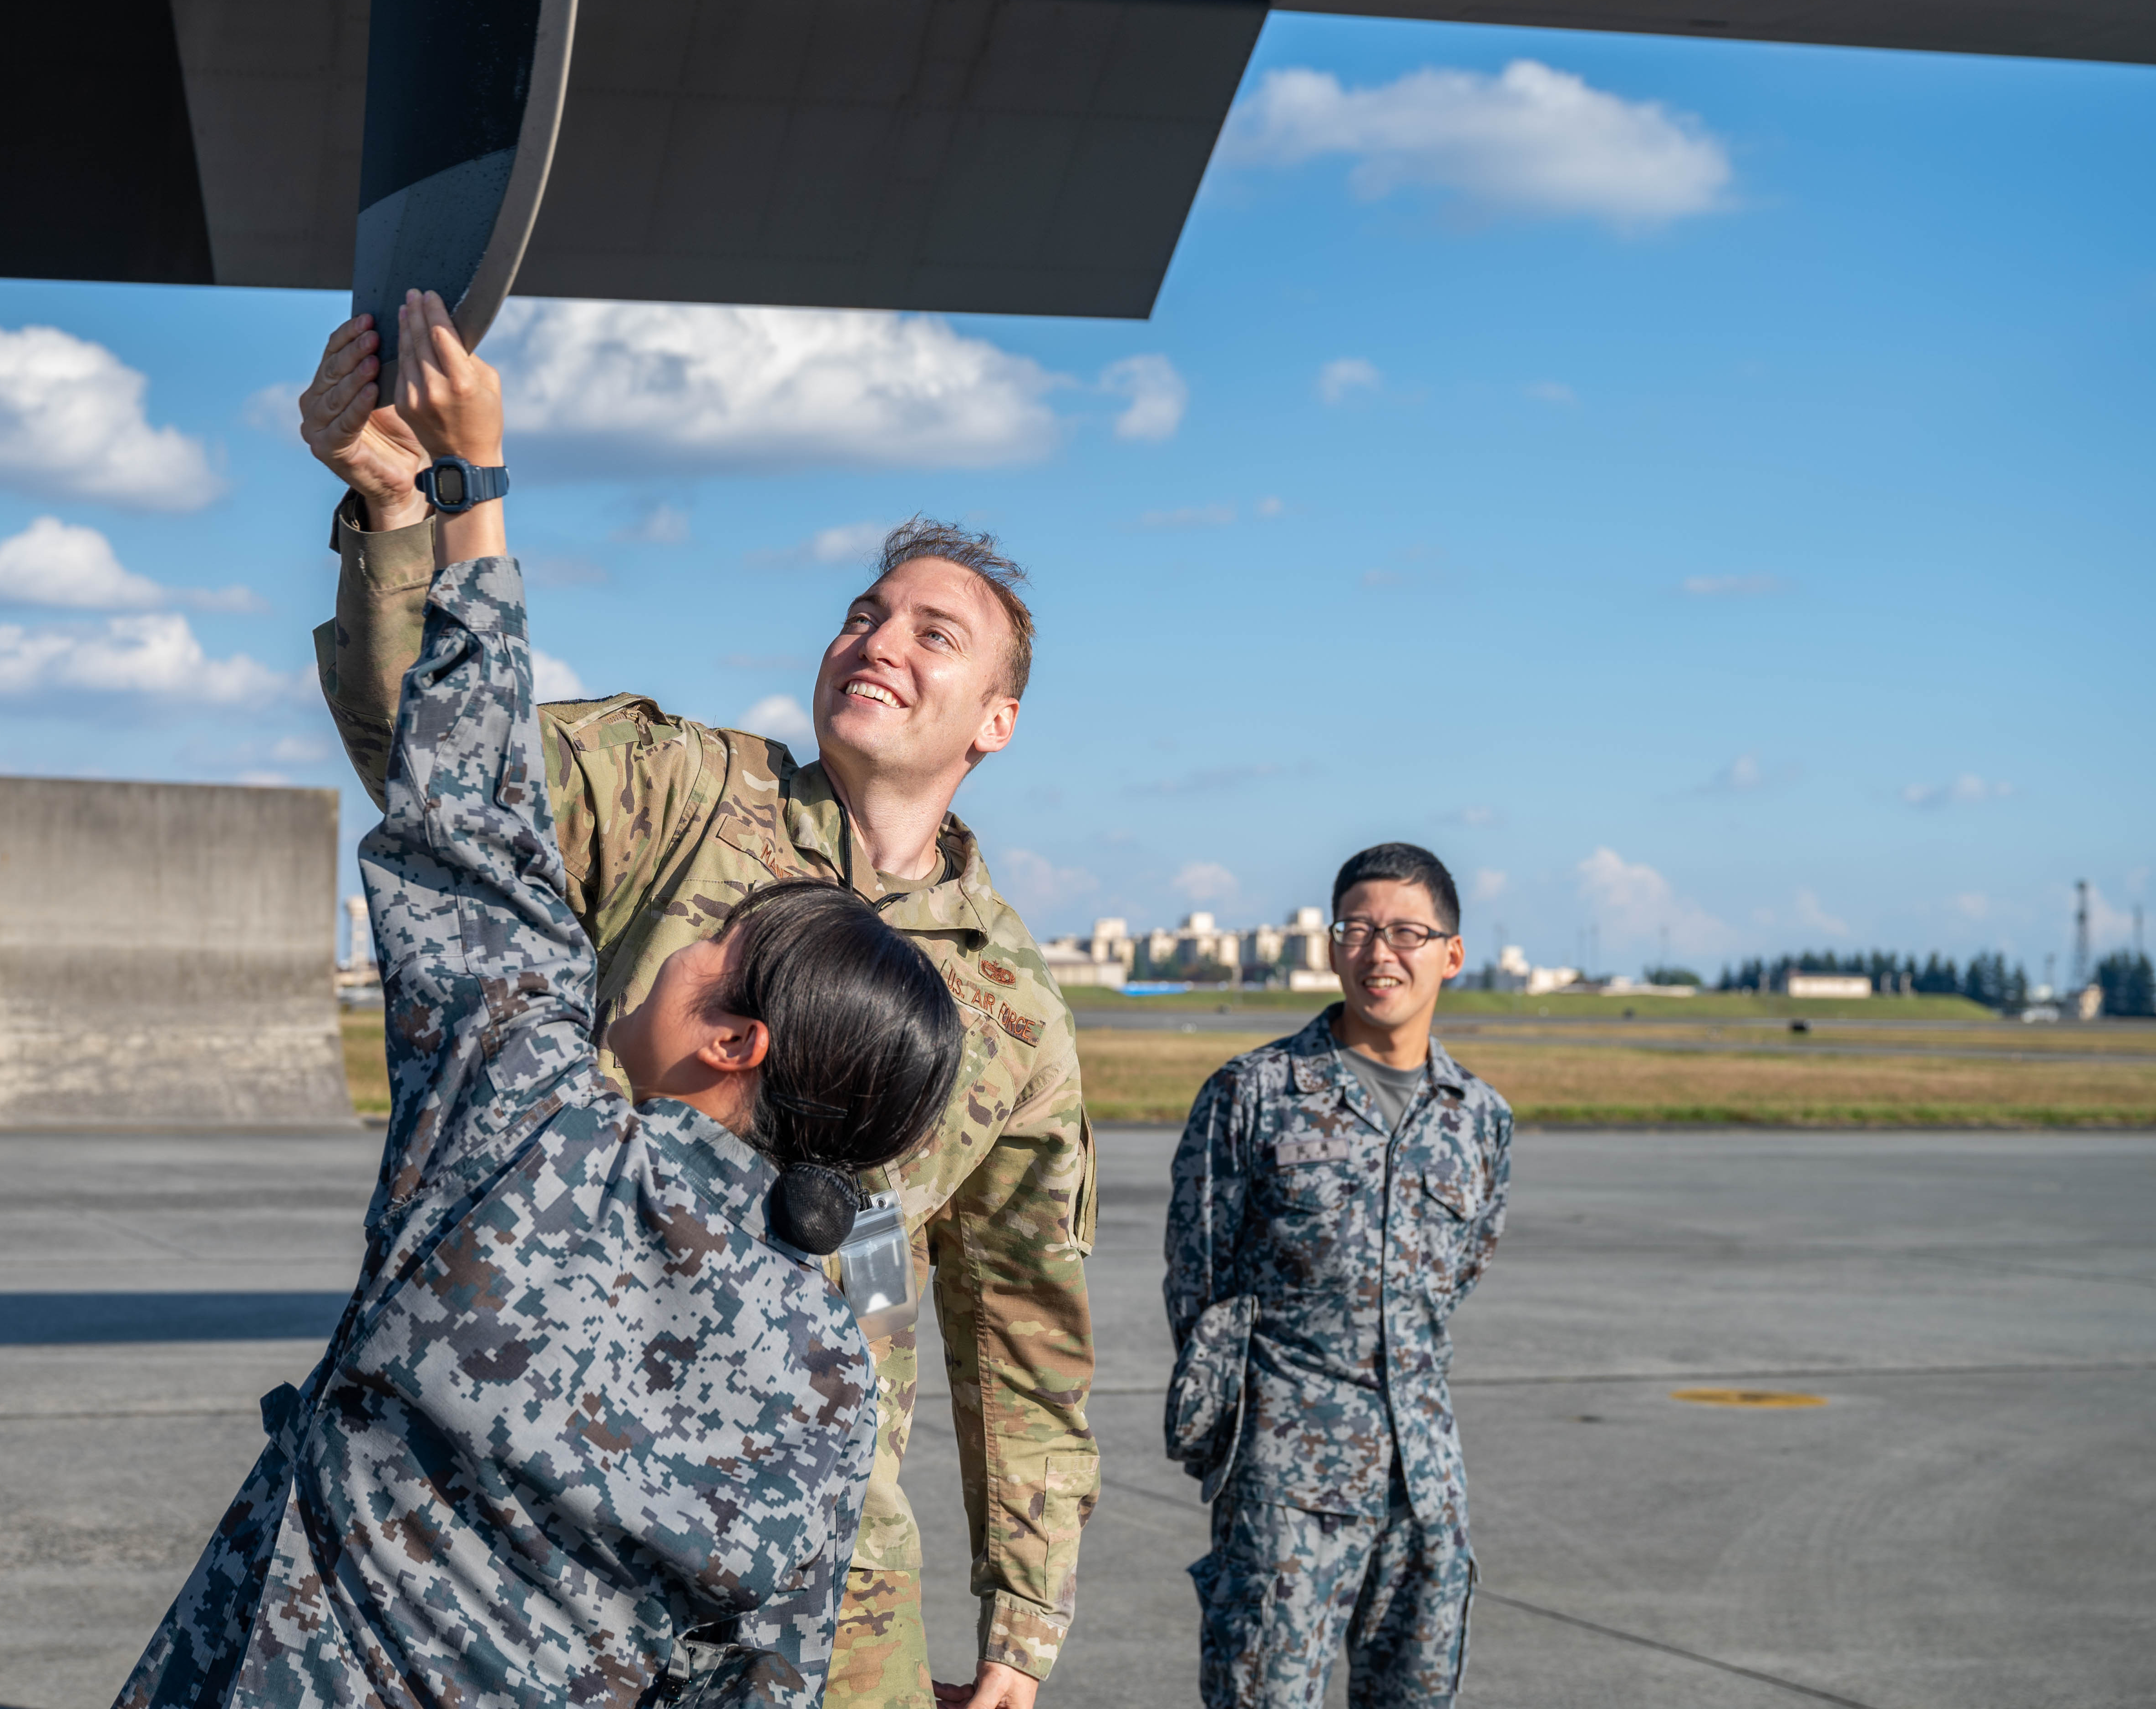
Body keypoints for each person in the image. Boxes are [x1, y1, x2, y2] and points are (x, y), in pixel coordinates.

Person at [115, 293, 964, 1709]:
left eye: (706, 943)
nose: (672, 947)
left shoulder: (529, 1132)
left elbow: (473, 824)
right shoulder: (830, 1380)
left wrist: (465, 496)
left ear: (731, 1039)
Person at [294, 314, 1100, 1709]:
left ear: (997, 723)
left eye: (933, 632)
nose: (878, 639)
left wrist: (1023, 1631)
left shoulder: (1016, 1010)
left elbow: (1023, 1325)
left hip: (822, 1569)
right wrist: (395, 513)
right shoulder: (675, 790)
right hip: (551, 1492)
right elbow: (448, 769)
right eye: (864, 610)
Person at [1161, 843, 1512, 1709]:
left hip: (1425, 1483)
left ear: (1451, 956)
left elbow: (1457, 1278)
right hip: (1286, 1486)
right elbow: (1197, 1285)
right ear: (1330, 946)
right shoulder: (1255, 1094)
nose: (1378, 953)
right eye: (1356, 929)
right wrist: (1234, 1445)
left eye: (1405, 932)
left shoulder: (1480, 1120)